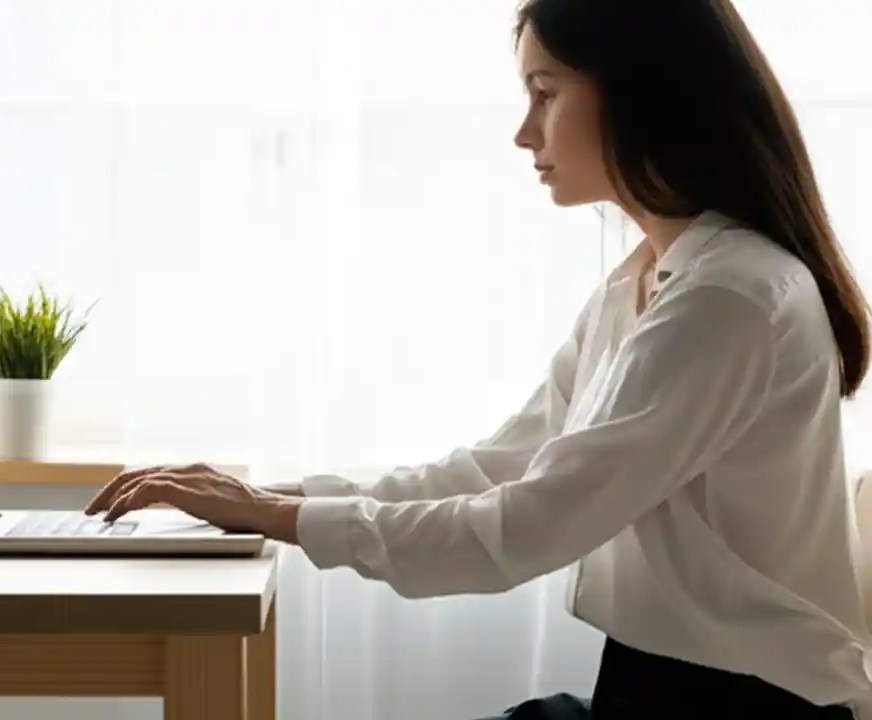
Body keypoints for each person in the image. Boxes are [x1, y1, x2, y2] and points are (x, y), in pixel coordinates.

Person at [84, 0, 872, 717]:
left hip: (751, 708)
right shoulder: (645, 284)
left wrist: (278, 517)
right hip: (653, 691)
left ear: (640, 91)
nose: (525, 132)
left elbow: (525, 526)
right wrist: (263, 498)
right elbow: (496, 469)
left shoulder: (727, 299)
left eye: (545, 93)